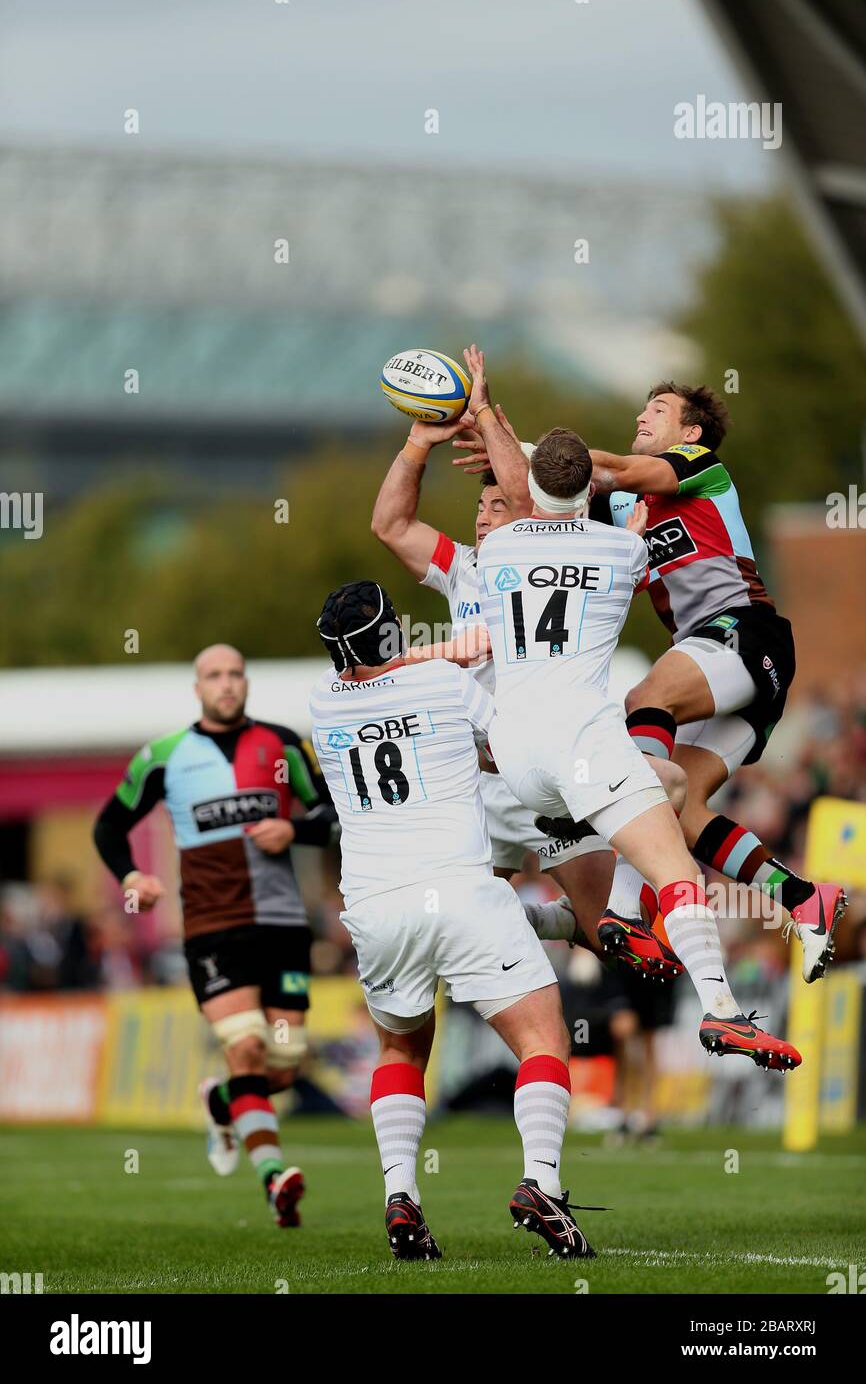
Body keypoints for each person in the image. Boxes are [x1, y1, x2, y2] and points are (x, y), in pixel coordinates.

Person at [452, 360, 846, 985]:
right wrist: (494, 428)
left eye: (658, 410)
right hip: (723, 671)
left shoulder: (699, 470)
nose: (642, 414)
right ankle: (803, 899)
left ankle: (625, 903)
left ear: (689, 434)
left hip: (745, 634)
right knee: (676, 808)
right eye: (644, 406)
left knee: (645, 699)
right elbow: (550, 493)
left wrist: (529, 443)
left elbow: (603, 467)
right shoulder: (621, 503)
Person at [474, 426, 800, 1072]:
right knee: (676, 869)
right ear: (588, 490)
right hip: (581, 743)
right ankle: (723, 1010)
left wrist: (487, 421)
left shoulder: (497, 548)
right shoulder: (621, 550)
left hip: (514, 757)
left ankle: (581, 918)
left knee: (671, 784)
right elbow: (587, 500)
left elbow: (532, 491)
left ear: (528, 494)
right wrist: (638, 521)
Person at [310, 579, 597, 1260]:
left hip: (375, 907)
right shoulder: (443, 682)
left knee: (402, 1050)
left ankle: (401, 1198)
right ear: (390, 634)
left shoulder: (322, 704)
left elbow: (378, 683)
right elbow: (511, 758)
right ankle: (542, 1184)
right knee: (542, 1040)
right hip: (460, 890)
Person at [370, 399, 663, 968]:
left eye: (499, 503)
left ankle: (554, 920)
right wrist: (416, 445)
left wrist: (405, 664)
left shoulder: (575, 557)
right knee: (448, 931)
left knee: (614, 939)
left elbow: (482, 642)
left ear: (531, 509)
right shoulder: (464, 565)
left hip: (552, 768)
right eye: (480, 505)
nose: (483, 515)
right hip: (479, 775)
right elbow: (390, 525)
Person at [93, 643, 336, 1229]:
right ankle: (274, 1174)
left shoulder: (282, 745)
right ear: (197, 688)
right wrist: (132, 877)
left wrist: (294, 829)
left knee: (280, 1063)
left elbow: (334, 814)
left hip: (282, 928)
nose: (226, 684)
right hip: (213, 930)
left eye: (235, 674)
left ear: (246, 683)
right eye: (214, 676)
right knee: (247, 1046)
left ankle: (220, 1102)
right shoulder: (163, 756)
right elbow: (109, 826)